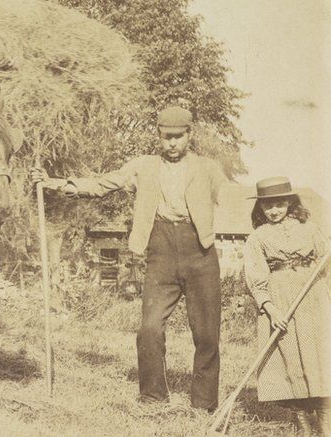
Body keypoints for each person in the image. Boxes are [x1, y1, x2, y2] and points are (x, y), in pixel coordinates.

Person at [31, 106, 229, 411]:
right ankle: (152, 398)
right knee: (149, 328)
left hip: (200, 251)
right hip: (160, 249)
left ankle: (203, 403)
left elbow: (235, 198)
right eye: (167, 137)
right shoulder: (143, 166)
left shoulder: (208, 168)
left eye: (178, 136)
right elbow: (101, 185)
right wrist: (54, 183)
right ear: (159, 136)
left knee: (206, 334)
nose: (172, 143)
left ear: (189, 135)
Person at [242, 177, 330, 434]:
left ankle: (325, 416)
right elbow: (255, 277)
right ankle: (301, 417)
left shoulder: (310, 229)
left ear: (290, 203)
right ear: (260, 208)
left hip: (313, 298)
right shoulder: (257, 238)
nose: (273, 211)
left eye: (279, 205)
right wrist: (270, 308)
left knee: (320, 356)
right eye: (267, 206)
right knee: (289, 358)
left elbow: (326, 263)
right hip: (280, 300)